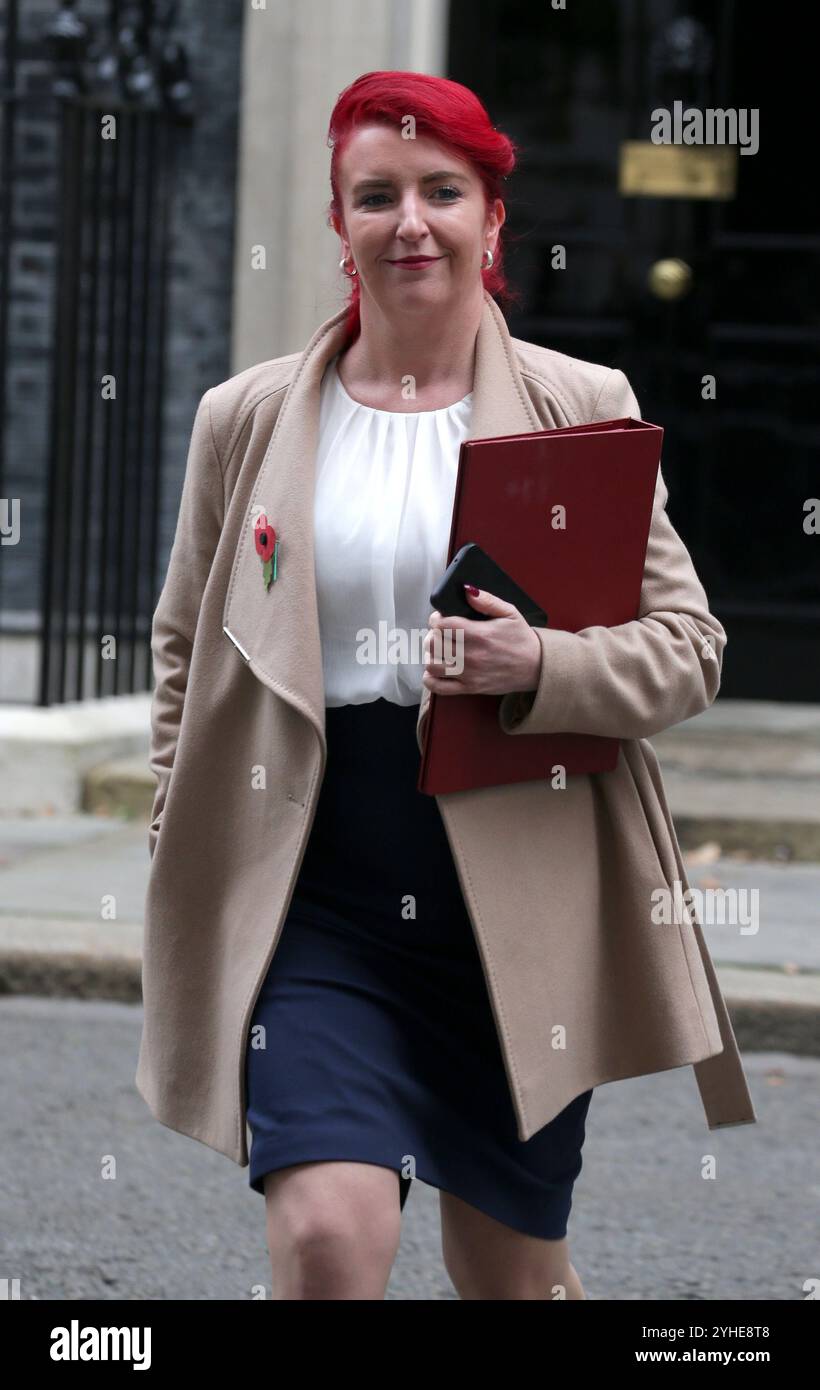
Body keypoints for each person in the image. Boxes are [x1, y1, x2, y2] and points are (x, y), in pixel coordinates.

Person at [138, 69, 756, 1302]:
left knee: (510, 1280)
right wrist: (175, 818)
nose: (409, 220)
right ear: (340, 224)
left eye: (440, 191)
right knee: (324, 1233)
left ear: (490, 219)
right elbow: (183, 649)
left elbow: (689, 646)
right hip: (314, 884)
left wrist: (544, 664)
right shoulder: (244, 418)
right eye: (377, 196)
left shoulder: (583, 407)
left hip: (516, 889)